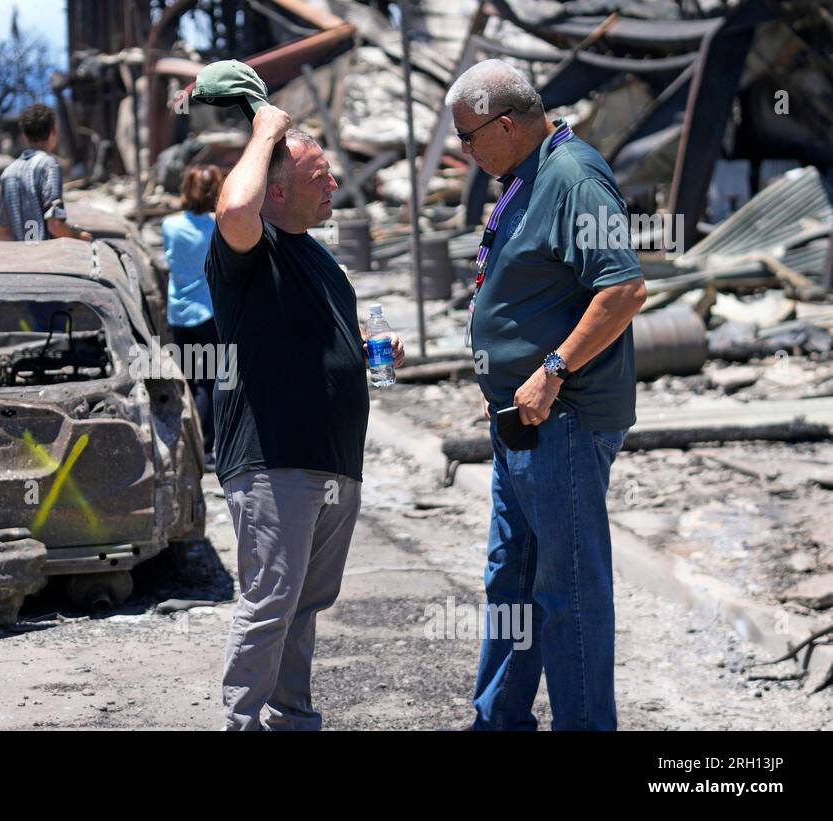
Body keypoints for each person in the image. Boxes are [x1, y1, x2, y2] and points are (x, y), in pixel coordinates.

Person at [447, 59, 647, 730]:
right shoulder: (526, 176)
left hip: (561, 418)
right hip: (521, 421)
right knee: (513, 586)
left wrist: (551, 368)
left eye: (468, 138)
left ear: (505, 125)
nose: (464, 153)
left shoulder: (574, 177)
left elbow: (622, 289)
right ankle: (499, 720)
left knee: (568, 594)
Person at [207, 104, 403, 731]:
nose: (334, 186)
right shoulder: (250, 249)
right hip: (274, 457)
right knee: (271, 601)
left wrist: (379, 349)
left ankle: (291, 720)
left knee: (305, 604)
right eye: (319, 176)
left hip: (333, 460)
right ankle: (239, 724)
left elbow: (330, 343)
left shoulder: (316, 255)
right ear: (278, 189)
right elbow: (234, 208)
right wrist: (265, 130)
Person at [162, 164, 224, 470]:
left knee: (186, 380)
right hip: (208, 313)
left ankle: (183, 442)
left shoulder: (170, 225)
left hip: (179, 313)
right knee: (212, 382)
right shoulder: (218, 225)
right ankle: (206, 449)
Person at [0, 103, 92, 243]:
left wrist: (23, 253)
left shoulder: (9, 172)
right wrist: (80, 236)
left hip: (21, 262)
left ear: (25, 136)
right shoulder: (49, 166)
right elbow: (55, 226)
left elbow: (1, 232)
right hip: (46, 260)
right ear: (53, 132)